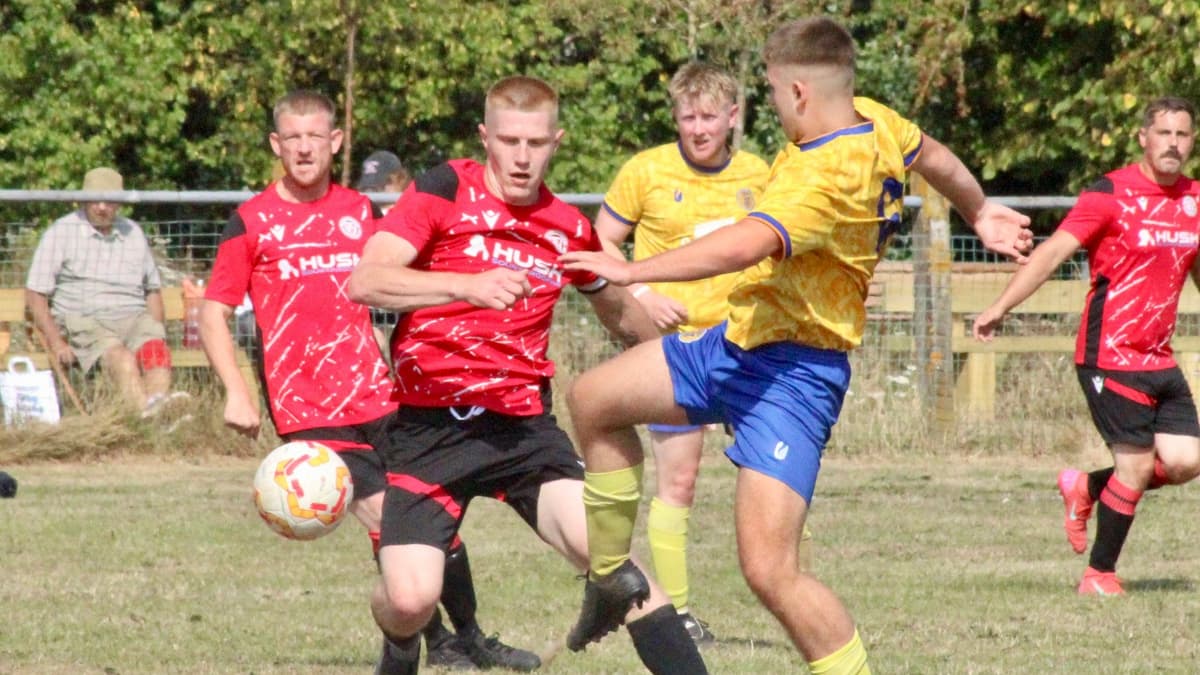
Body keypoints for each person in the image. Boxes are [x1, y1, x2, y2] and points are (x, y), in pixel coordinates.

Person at [559, 16, 1033, 674]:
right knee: (591, 399)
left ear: (800, 92)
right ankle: (612, 578)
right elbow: (935, 156)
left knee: (770, 570)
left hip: (793, 374)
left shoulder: (824, 175)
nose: (774, 106)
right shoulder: (875, 120)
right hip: (737, 341)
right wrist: (978, 209)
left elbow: (744, 243)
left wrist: (632, 270)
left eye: (774, 92)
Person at [347, 75, 707, 675]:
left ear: (555, 142)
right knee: (409, 601)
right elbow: (365, 281)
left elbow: (620, 314)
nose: (521, 157)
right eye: (509, 141)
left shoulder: (566, 226)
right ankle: (400, 645)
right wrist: (465, 286)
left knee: (621, 570)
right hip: (429, 431)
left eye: (536, 143)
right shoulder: (444, 189)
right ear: (485, 137)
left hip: (522, 432)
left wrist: (696, 377)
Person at [198, 90, 539, 672]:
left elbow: (402, 278)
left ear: (334, 142)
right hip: (310, 412)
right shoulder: (252, 220)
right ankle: (437, 642)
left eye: (316, 136)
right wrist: (236, 389)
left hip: (382, 397)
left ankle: (469, 638)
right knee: (387, 516)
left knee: (428, 515)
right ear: (276, 145)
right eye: (292, 137)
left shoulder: (360, 211)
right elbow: (214, 311)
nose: (304, 148)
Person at [594, 60, 809, 644]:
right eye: (687, 117)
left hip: (749, 347)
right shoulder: (646, 171)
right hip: (675, 349)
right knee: (680, 481)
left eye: (709, 117)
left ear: (733, 116)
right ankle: (677, 614)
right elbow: (600, 238)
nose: (698, 128)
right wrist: (643, 294)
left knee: (780, 480)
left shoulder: (761, 174)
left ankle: (797, 595)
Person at [973, 96, 1200, 596]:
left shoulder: (1195, 201)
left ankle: (1086, 486)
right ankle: (1099, 575)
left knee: (1186, 461)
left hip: (1158, 357)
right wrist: (1000, 306)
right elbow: (1052, 253)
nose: (1173, 144)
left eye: (1182, 135)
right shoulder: (1110, 193)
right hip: (1109, 355)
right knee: (1136, 467)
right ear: (1143, 138)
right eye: (1163, 133)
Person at [25, 166, 181, 414]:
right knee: (122, 359)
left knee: (156, 353)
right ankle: (145, 421)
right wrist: (57, 343)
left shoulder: (133, 233)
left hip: (134, 319)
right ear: (83, 200)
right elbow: (35, 293)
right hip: (86, 321)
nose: (101, 207)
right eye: (95, 200)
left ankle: (156, 414)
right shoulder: (61, 232)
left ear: (119, 203)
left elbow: (152, 290)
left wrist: (156, 331)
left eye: (109, 201)